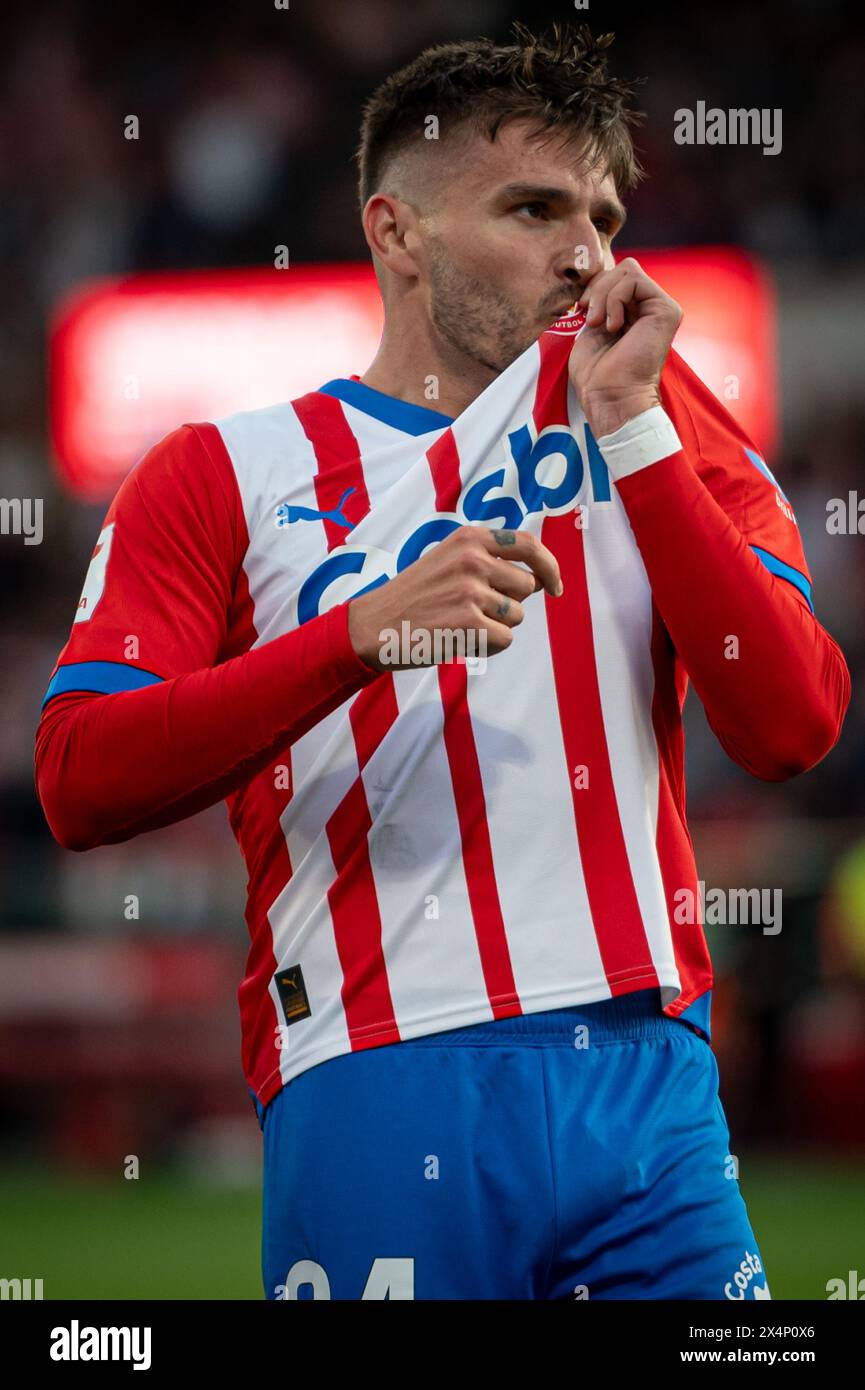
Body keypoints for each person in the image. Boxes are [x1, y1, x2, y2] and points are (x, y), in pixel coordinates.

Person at [35, 23, 850, 1299]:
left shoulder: (664, 415)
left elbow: (793, 721)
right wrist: (353, 636)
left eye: (601, 213)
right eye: (532, 208)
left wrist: (633, 429)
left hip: (649, 1092)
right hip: (375, 1072)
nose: (583, 255)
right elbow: (79, 775)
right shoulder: (221, 471)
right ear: (396, 232)